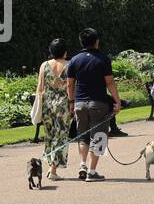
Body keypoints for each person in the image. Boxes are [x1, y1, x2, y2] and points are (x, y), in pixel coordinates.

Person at [66, 28, 120, 182]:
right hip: (98, 103)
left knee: (83, 136)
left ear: (81, 41)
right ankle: (92, 171)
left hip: (80, 103)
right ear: (97, 41)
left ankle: (82, 164)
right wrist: (117, 100)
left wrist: (71, 102)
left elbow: (70, 85)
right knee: (99, 136)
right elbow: (109, 81)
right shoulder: (103, 59)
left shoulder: (74, 60)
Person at [35, 38, 71, 181]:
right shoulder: (69, 65)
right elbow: (70, 86)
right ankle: (53, 170)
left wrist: (38, 104)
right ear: (65, 52)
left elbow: (40, 87)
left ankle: (51, 166)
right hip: (63, 104)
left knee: (49, 135)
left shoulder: (44, 65)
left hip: (47, 103)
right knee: (61, 135)